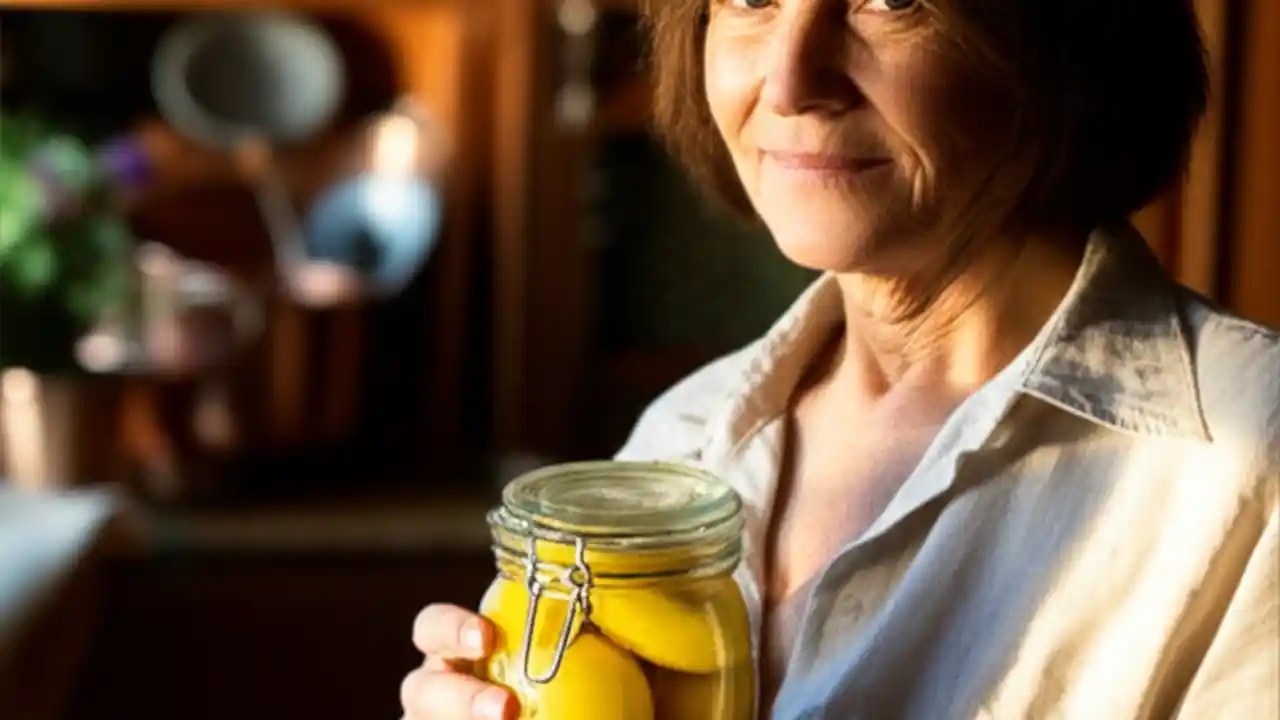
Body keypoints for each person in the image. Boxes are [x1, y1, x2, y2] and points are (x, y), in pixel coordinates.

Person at [401, 0, 1279, 717]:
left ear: (1072, 51)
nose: (790, 81)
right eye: (749, 0)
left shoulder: (1250, 462)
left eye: (890, 2)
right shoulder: (684, 432)